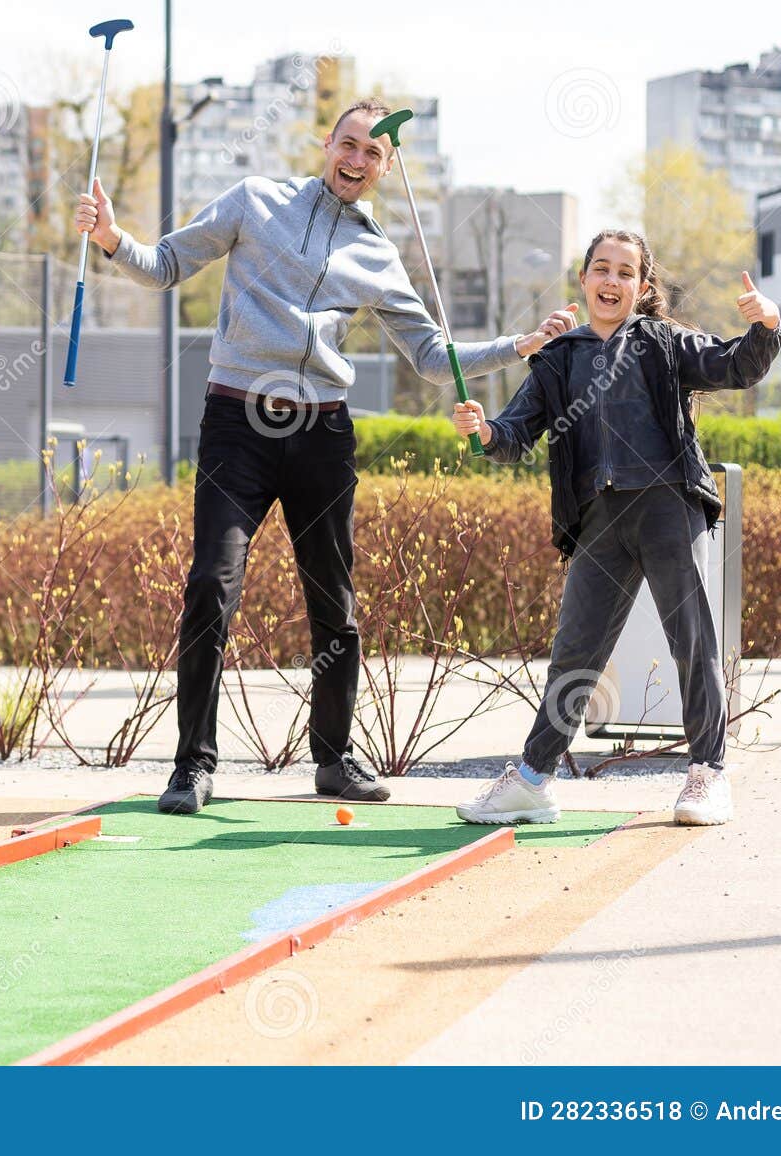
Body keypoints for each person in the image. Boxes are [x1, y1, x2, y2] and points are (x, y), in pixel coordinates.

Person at [74, 97, 578, 815]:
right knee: (211, 586)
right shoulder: (255, 201)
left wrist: (519, 346)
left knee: (334, 606)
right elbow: (164, 266)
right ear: (326, 144)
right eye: (349, 144)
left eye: (374, 154)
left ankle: (335, 758)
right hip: (238, 424)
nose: (357, 160)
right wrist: (114, 237)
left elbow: (434, 358)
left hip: (323, 435)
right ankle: (192, 766)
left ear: (386, 166)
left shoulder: (377, 253)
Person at [450, 228, 781, 827]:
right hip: (596, 521)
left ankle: (708, 773)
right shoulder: (557, 358)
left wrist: (766, 326)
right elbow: (514, 435)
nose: (611, 281)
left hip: (668, 507)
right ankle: (532, 780)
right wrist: (483, 431)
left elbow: (735, 367)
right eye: (601, 269)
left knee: (693, 642)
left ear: (642, 287)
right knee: (573, 653)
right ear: (583, 280)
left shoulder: (664, 343)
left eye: (625, 273)